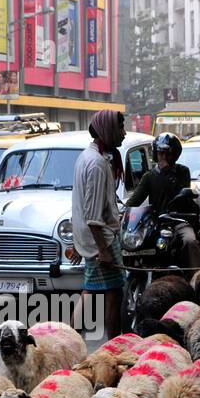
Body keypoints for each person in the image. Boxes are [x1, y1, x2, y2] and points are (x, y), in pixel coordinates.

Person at [72, 109, 128, 339]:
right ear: (108, 131)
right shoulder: (96, 164)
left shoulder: (91, 157)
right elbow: (92, 215)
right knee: (113, 294)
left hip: (95, 238)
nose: (124, 133)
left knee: (92, 289)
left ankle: (69, 337)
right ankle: (113, 345)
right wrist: (102, 250)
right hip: (101, 239)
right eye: (120, 128)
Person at [125, 132, 200, 269]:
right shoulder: (149, 176)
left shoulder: (183, 172)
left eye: (168, 154)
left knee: (190, 241)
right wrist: (123, 210)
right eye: (161, 153)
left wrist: (168, 174)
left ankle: (194, 279)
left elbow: (181, 193)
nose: (164, 157)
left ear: (175, 155)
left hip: (179, 221)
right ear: (155, 154)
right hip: (155, 223)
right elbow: (135, 200)